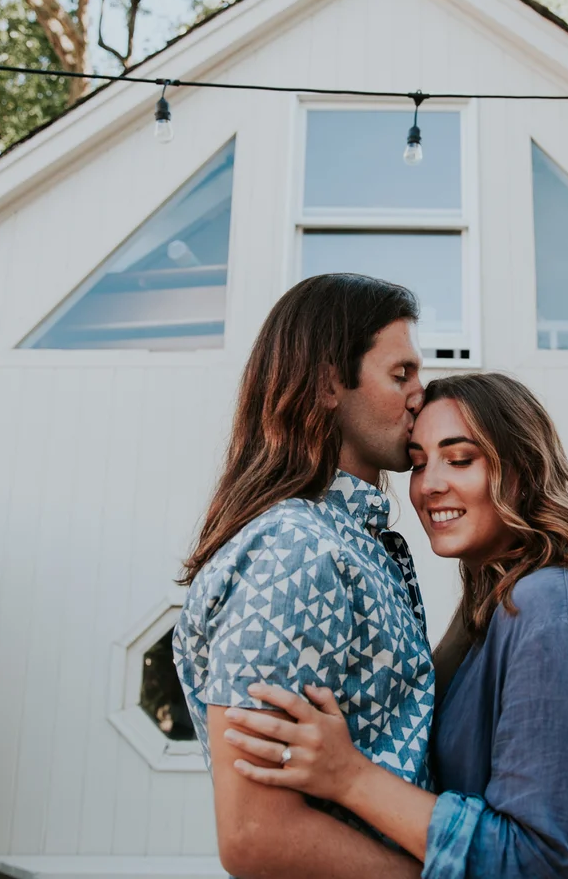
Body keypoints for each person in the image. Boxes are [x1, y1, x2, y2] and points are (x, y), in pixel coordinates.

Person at [223, 372, 568, 879]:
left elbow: (541, 862)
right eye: (418, 462)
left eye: (460, 459)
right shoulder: (495, 606)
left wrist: (349, 777)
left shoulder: (548, 609)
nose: (429, 485)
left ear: (522, 468)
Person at [171, 273, 434, 879]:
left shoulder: (349, 541)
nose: (422, 393)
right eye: (401, 375)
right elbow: (256, 834)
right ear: (325, 385)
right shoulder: (296, 549)